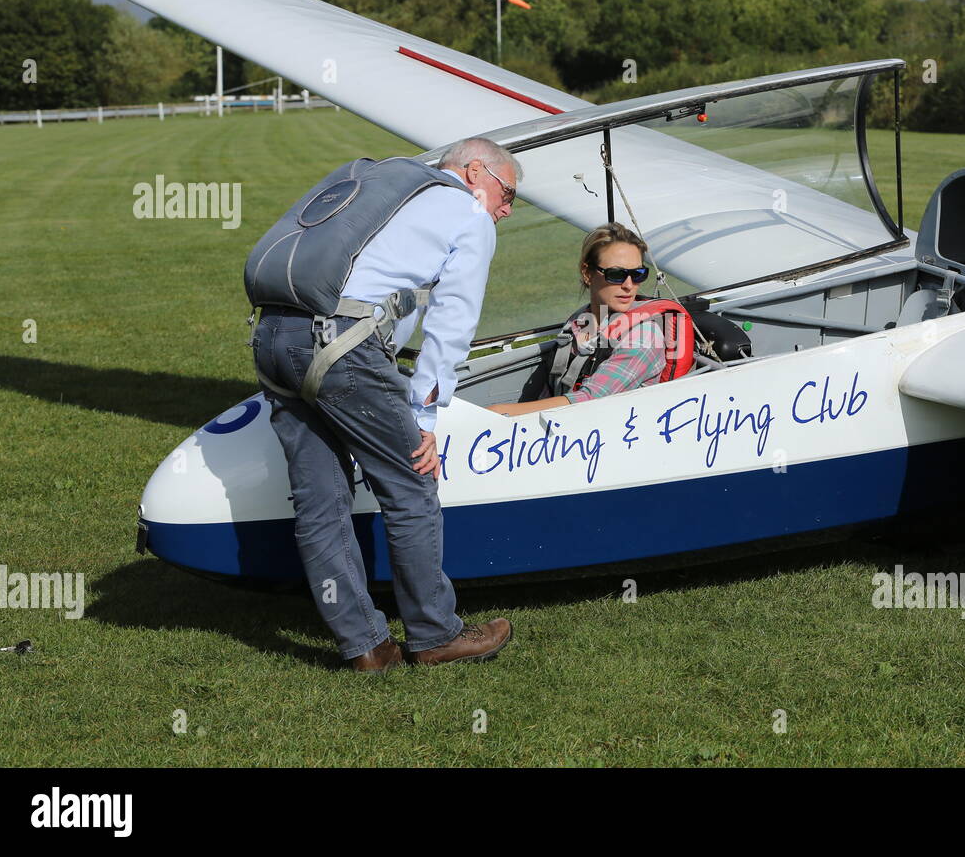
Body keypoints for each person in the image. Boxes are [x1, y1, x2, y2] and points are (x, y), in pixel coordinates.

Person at [253, 137, 519, 671]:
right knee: (412, 485)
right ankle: (435, 633)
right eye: (507, 192)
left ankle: (366, 647)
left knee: (320, 502)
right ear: (473, 172)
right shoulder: (470, 214)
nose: (507, 207)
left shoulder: (390, 189)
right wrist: (423, 417)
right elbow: (452, 323)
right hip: (341, 344)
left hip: (271, 336)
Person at [489, 223, 671, 418]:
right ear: (587, 273)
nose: (629, 286)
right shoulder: (581, 319)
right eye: (616, 275)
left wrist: (498, 413)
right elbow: (555, 387)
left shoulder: (644, 337)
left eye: (638, 274)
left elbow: (587, 402)